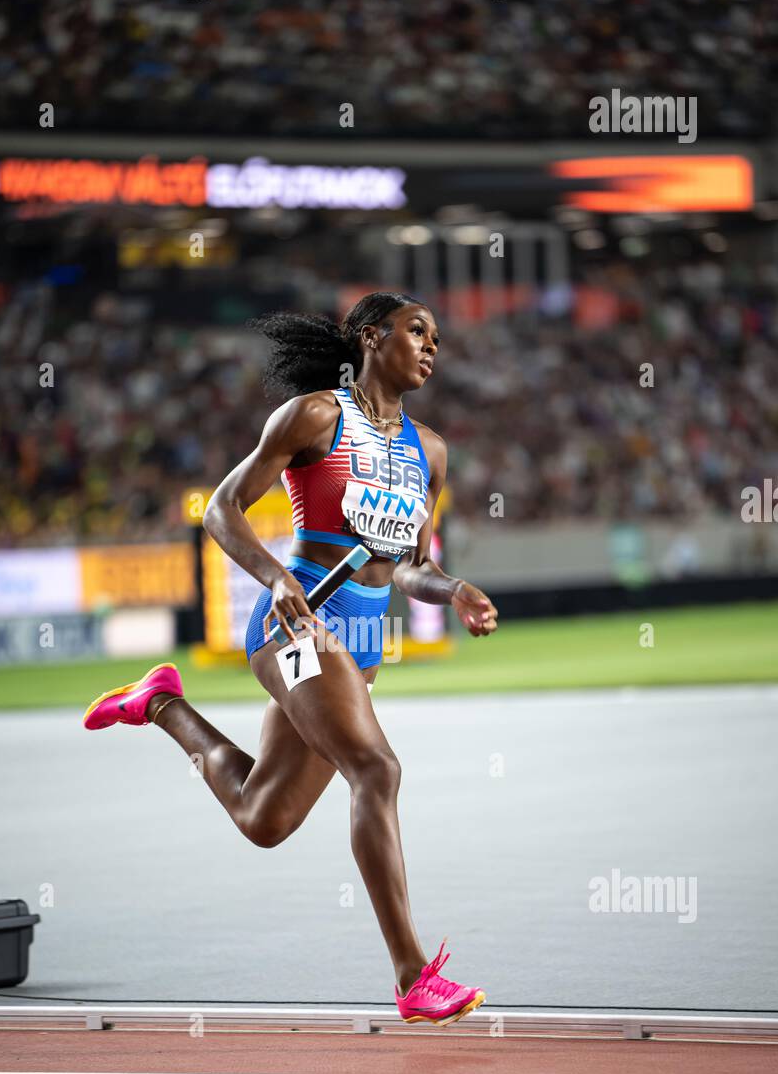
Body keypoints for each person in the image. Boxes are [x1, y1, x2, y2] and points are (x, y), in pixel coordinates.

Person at [84, 292, 498, 1025]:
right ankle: (411, 976)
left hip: (361, 645)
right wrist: (276, 579)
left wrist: (453, 587)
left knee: (263, 818)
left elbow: (406, 566)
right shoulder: (314, 417)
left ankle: (159, 703)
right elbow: (220, 509)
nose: (432, 346)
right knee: (378, 769)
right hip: (298, 627)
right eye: (416, 331)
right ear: (371, 337)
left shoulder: (429, 450)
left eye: (438, 338)